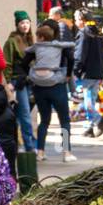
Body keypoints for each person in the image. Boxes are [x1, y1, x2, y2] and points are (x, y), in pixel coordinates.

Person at [25, 22, 76, 163]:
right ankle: (66, 152)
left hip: (39, 88)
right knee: (64, 120)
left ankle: (40, 152)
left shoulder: (36, 48)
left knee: (44, 121)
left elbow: (25, 61)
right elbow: (71, 58)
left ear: (41, 36)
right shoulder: (59, 46)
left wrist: (30, 75)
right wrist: (68, 75)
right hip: (57, 86)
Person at [2, 10, 37, 156]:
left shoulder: (30, 40)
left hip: (30, 82)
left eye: (27, 22)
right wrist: (9, 82)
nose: (25, 25)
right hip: (18, 82)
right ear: (17, 24)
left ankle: (16, 146)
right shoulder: (12, 41)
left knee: (17, 117)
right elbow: (7, 63)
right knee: (25, 116)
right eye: (22, 23)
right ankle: (30, 147)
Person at [77, 20, 103, 138]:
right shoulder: (100, 35)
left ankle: (99, 120)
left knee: (87, 102)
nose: (76, 22)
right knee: (90, 100)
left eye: (76, 19)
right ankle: (88, 128)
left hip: (87, 74)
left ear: (82, 20)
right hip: (97, 73)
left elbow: (80, 54)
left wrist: (76, 70)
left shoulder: (84, 33)